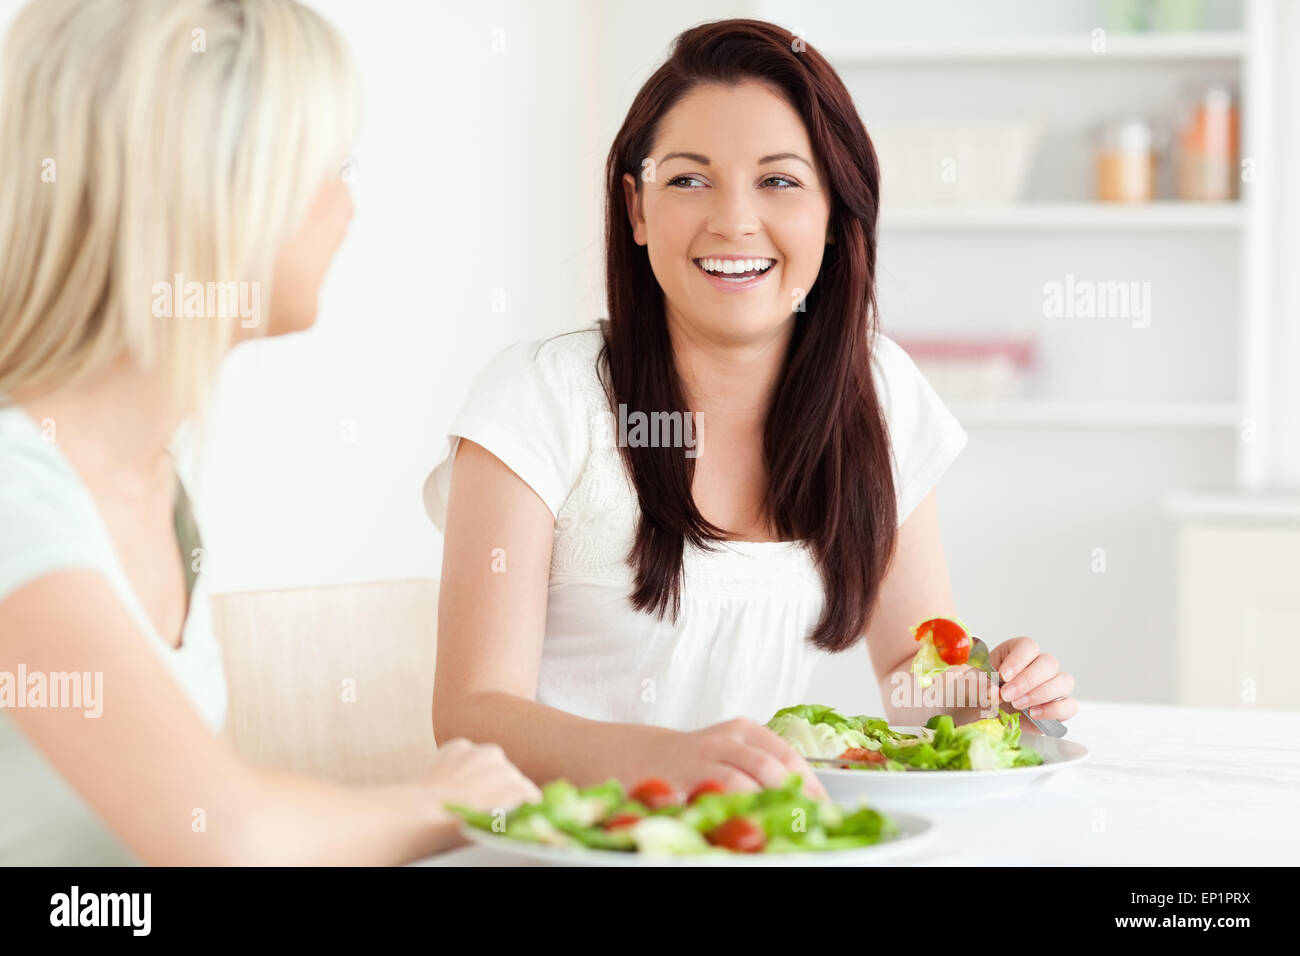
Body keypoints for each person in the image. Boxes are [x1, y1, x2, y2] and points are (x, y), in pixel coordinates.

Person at [427, 19, 1077, 795]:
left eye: (778, 181)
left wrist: (992, 690)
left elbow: (913, 673)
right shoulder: (541, 397)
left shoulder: (877, 392)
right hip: (567, 841)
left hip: (763, 840)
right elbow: (473, 713)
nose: (734, 221)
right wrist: (660, 759)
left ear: (835, 214)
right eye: (690, 179)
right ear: (636, 209)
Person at [0, 0, 537, 866]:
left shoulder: (159, 491)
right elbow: (227, 838)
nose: (346, 208)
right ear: (212, 188)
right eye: (327, 166)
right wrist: (443, 801)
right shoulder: (16, 494)